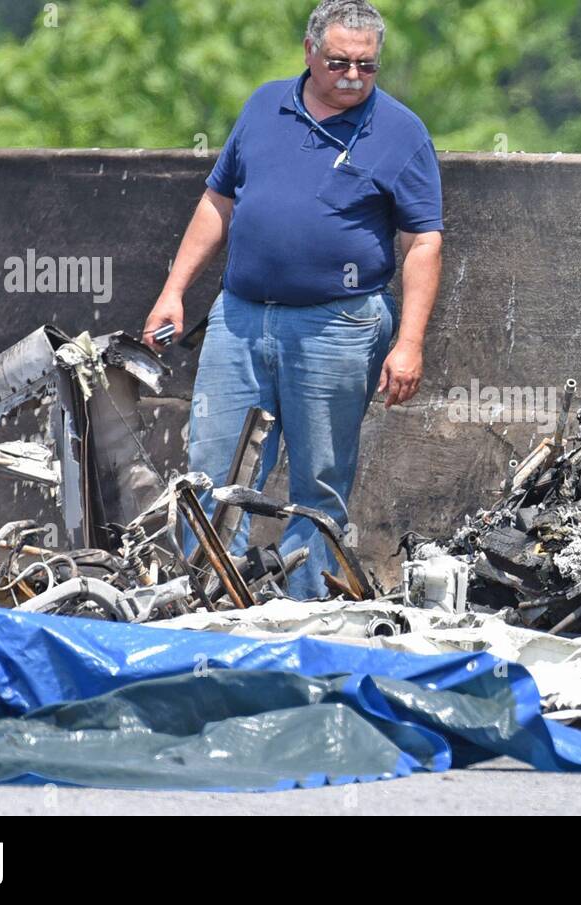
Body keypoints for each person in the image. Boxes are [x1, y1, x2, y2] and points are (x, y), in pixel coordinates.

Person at [142, 0, 443, 598]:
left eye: (366, 66)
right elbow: (216, 203)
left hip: (339, 323)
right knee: (212, 469)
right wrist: (174, 292)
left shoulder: (401, 132)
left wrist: (408, 343)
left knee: (319, 481)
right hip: (240, 316)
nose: (353, 76)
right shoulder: (264, 106)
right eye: (338, 63)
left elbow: (422, 242)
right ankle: (207, 601)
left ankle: (308, 607)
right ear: (309, 54)